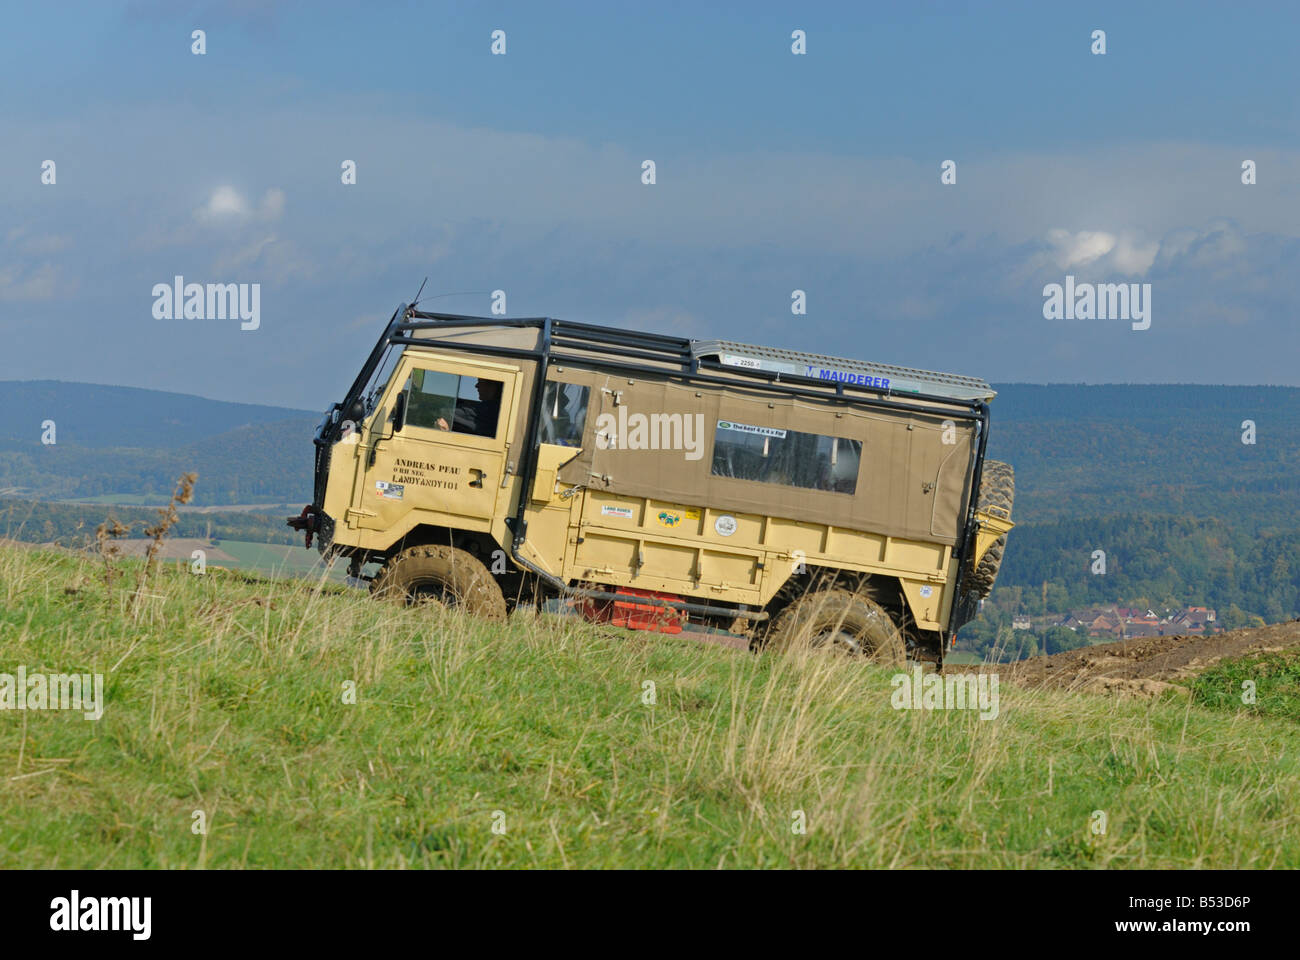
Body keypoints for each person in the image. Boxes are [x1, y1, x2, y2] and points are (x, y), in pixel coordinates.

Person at [435, 378, 502, 437]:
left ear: (492, 387)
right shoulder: (498, 410)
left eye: (480, 382)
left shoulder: (487, 410)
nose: (476, 386)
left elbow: (444, 412)